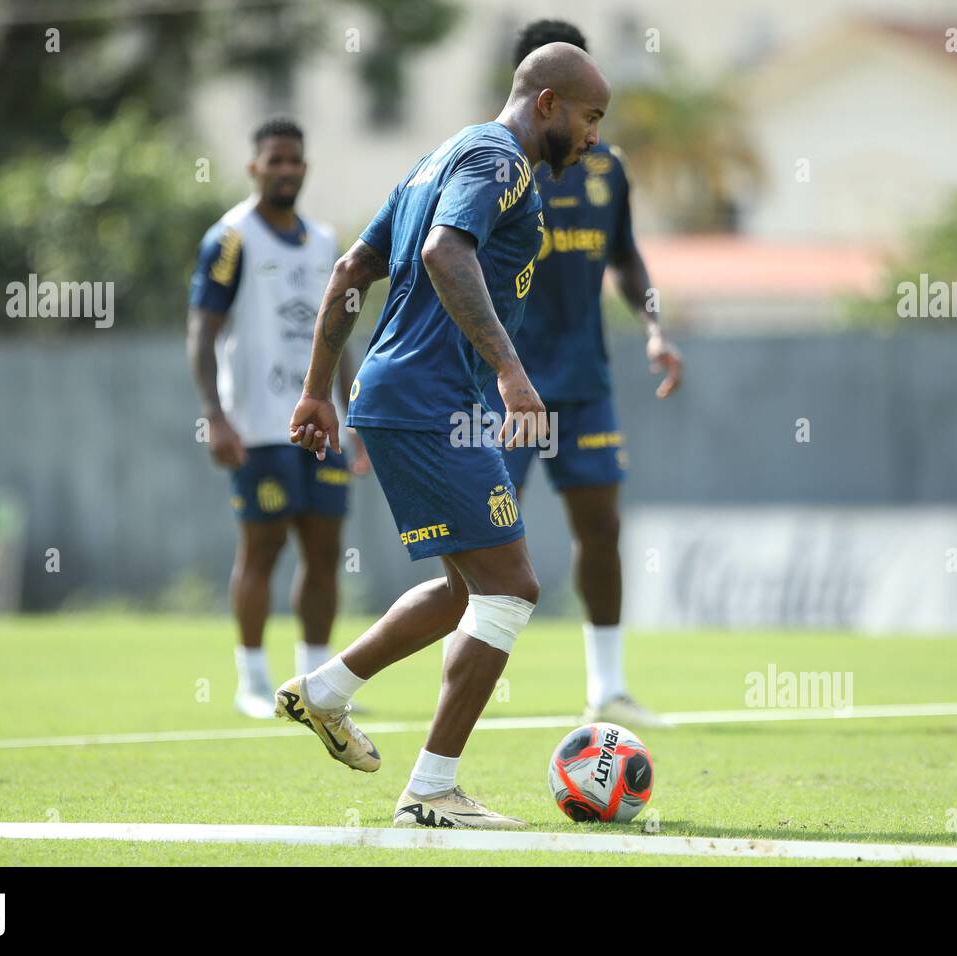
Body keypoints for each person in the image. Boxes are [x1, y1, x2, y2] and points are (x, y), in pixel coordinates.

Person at [279, 43, 611, 829]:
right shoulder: (499, 162)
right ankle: (431, 791)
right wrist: (510, 370)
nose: (595, 137)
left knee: (471, 587)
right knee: (514, 587)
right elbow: (441, 251)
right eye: (591, 118)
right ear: (547, 106)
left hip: (409, 397)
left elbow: (350, 271)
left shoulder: (437, 158)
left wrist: (318, 390)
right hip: (432, 401)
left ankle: (325, 691)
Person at [488, 20, 683, 728]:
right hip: (505, 386)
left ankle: (607, 686)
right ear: (539, 95)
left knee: (601, 528)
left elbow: (626, 259)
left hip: (584, 381)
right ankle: (470, 680)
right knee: (486, 539)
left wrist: (655, 328)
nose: (586, 123)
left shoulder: (607, 168)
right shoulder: (494, 165)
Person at [187, 118, 368, 720]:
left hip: (324, 428)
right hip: (261, 425)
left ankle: (317, 684)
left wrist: (356, 414)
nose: (286, 170)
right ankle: (254, 680)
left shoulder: (323, 242)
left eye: (295, 160)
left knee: (324, 549)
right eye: (275, 160)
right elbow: (202, 330)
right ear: (254, 167)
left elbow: (339, 334)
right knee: (262, 548)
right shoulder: (231, 238)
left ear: (305, 167)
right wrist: (216, 415)